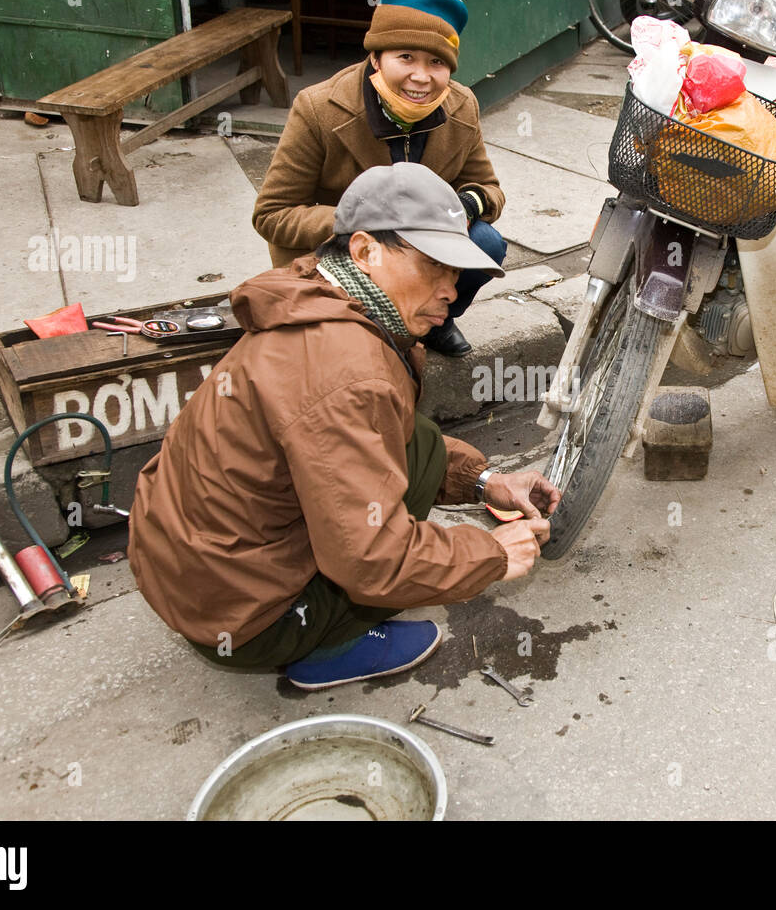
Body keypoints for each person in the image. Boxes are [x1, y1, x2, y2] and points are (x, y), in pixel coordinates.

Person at [129, 162, 558, 690]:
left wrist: (486, 482)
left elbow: (385, 438)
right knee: (385, 520)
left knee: (415, 440)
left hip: (195, 570)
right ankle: (329, 645)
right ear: (363, 251)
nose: (452, 288)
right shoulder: (347, 371)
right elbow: (370, 558)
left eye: (456, 270)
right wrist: (490, 554)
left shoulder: (316, 294)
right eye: (434, 265)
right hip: (245, 619)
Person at [252, 0, 505, 358]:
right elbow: (272, 215)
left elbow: (488, 189)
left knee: (487, 243)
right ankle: (372, 331)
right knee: (354, 353)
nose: (421, 77)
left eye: (437, 62)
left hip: (417, 247)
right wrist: (360, 223)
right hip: (342, 249)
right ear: (375, 58)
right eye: (406, 57)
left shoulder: (461, 106)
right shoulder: (318, 108)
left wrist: (464, 207)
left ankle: (432, 320)